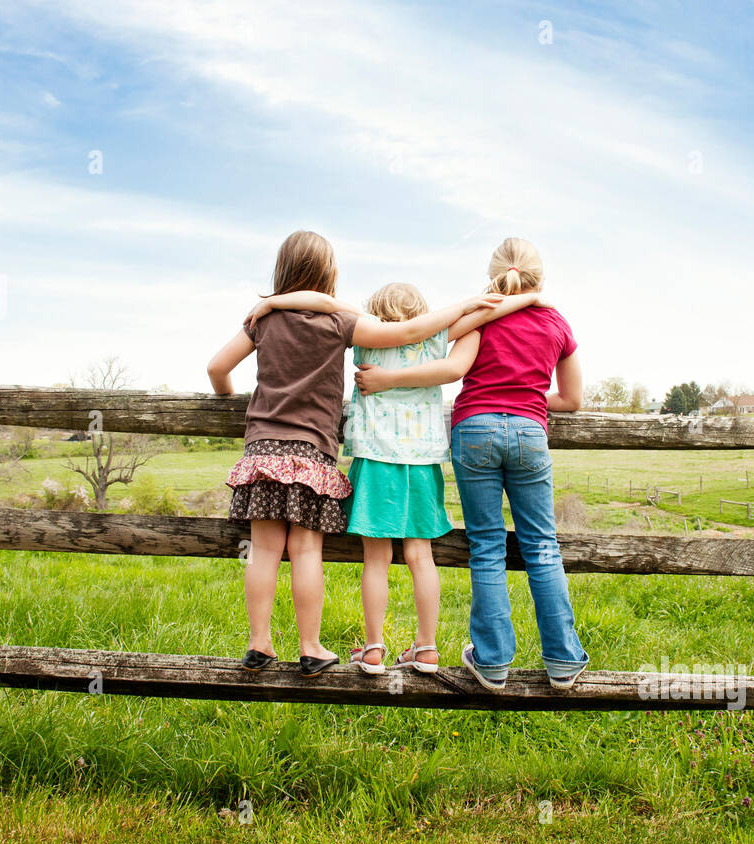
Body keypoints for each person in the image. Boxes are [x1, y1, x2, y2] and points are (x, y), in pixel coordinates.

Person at [206, 230, 506, 677]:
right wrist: (468, 304)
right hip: (316, 455)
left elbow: (216, 367)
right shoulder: (341, 324)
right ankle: (311, 647)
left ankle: (259, 644)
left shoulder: (261, 322)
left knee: (263, 553)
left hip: (263, 453)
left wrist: (229, 398)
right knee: (307, 551)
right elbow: (408, 331)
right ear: (330, 275)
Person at [354, 237, 588, 690]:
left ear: (494, 273)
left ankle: (493, 661)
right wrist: (529, 399)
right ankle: (562, 661)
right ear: (539, 277)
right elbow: (572, 399)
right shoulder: (556, 322)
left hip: (474, 429)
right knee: (542, 546)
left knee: (486, 546)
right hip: (529, 432)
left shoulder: (476, 318)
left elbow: (434, 349)